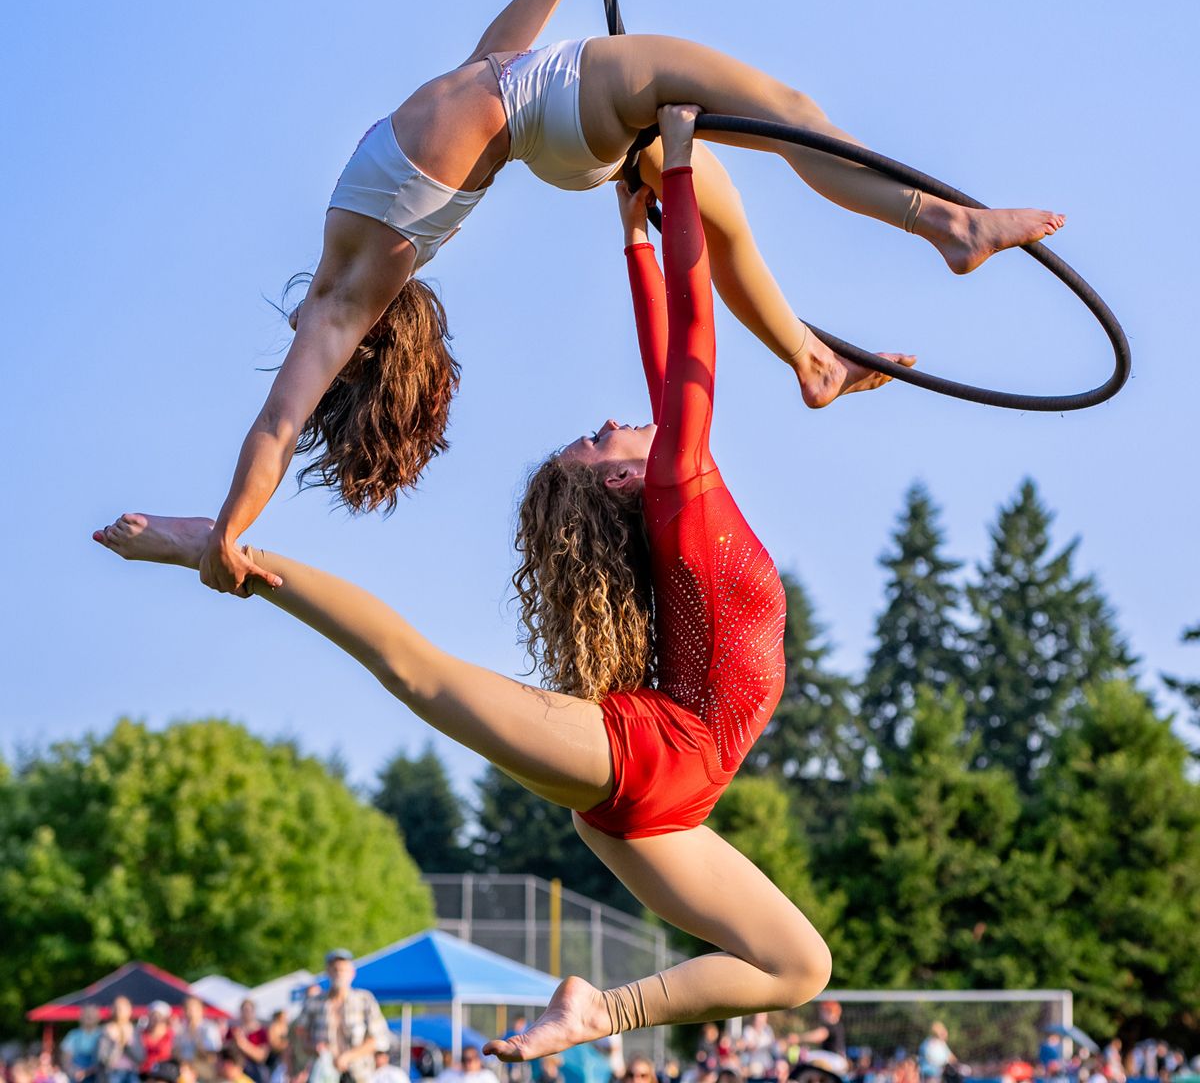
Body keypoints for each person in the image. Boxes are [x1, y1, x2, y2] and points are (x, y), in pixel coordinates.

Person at [98, 107, 906, 1056]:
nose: (615, 420)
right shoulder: (678, 487)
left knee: (793, 967)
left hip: (674, 796)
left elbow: (665, 355)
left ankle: (603, 1010)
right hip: (657, 761)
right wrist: (676, 176)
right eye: (602, 438)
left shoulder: (681, 489)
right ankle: (219, 548)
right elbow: (693, 345)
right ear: (618, 478)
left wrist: (632, 233)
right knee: (418, 673)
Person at [183, 0, 1062, 599]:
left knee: (727, 224)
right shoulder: (350, 295)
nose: (293, 322)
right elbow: (277, 423)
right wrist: (225, 533)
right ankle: (948, 225)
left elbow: (480, 67)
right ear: (359, 349)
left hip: (552, 121)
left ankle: (810, 361)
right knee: (792, 115)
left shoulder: (361, 234)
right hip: (567, 101)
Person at [292, 951, 388, 1083]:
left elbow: (378, 1039)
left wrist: (348, 1057)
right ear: (328, 972)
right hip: (324, 1073)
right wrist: (314, 1047)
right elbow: (300, 1035)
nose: (339, 974)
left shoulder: (364, 999)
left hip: (359, 1073)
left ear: (352, 973)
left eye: (343, 970)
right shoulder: (314, 1002)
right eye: (335, 969)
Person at [98, 997, 143, 1083]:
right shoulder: (106, 1030)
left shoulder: (135, 1031)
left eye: (122, 1008)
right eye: (117, 1007)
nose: (119, 1011)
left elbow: (140, 1058)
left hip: (132, 1073)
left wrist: (126, 1045)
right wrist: (116, 1043)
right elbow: (105, 1059)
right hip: (112, 1073)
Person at [61, 1006, 104, 1083]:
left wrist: (89, 1071)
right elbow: (66, 1059)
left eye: (92, 1014)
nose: (89, 1016)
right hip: (76, 1077)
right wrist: (74, 1071)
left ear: (98, 1017)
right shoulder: (73, 1035)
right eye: (87, 1014)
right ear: (81, 1017)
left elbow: (105, 1059)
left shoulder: (103, 1035)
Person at [142, 1004, 177, 1076]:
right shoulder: (142, 1034)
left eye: (159, 1016)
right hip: (145, 1073)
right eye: (154, 1016)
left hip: (166, 1073)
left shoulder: (172, 1035)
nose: (156, 1019)